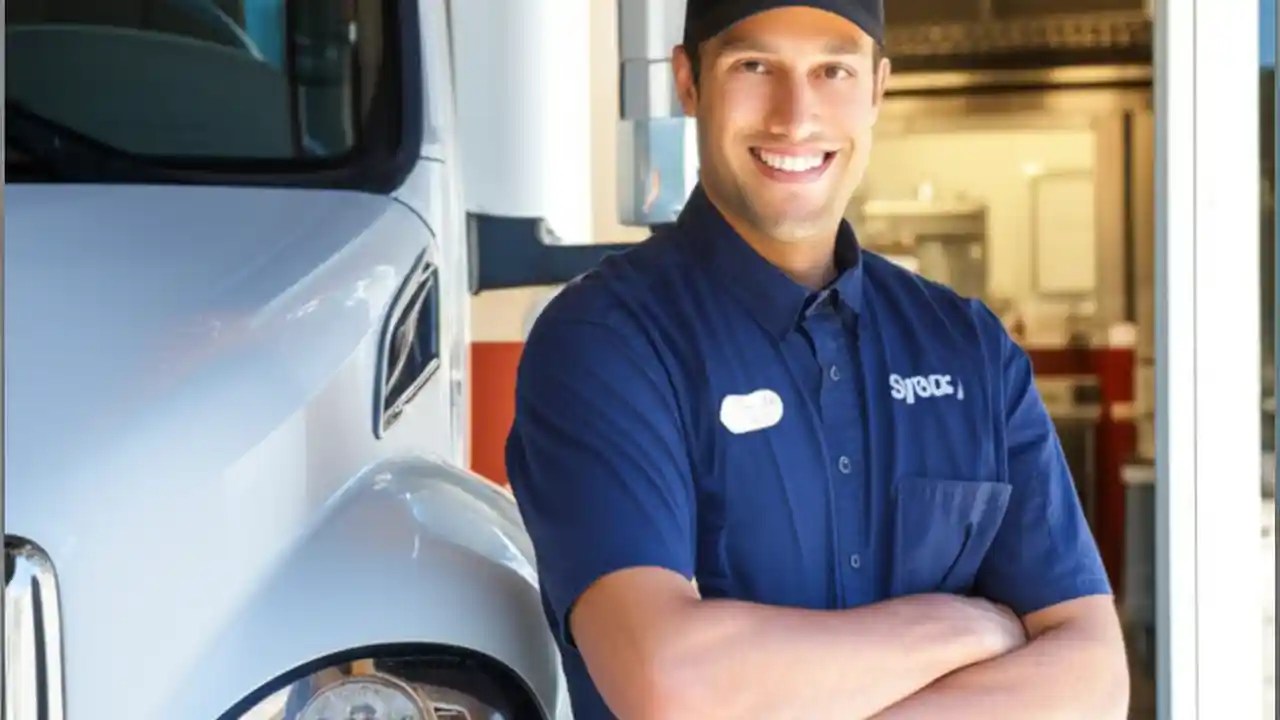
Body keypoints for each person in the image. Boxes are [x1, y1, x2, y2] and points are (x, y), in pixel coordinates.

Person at [505, 1, 1131, 717]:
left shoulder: (969, 348)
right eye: (754, 66)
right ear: (688, 82)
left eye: (833, 70)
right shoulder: (606, 342)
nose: (795, 116)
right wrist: (964, 627)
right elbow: (670, 681)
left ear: (877, 88)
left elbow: (1093, 678)